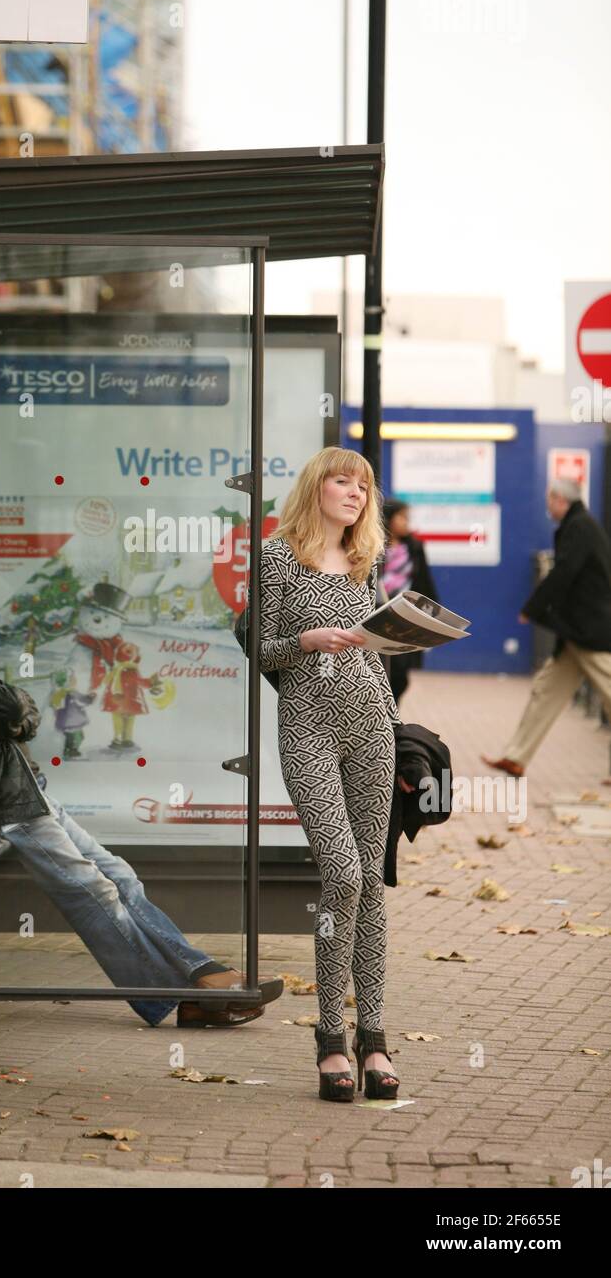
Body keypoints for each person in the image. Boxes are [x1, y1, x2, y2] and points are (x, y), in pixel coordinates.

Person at [0, 566, 283, 1029]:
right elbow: (11, 708)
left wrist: (12, 709)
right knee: (93, 890)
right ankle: (181, 990)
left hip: (23, 788)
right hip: (1, 799)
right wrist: (11, 709)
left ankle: (197, 981)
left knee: (120, 876)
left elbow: (15, 710)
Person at [255, 447, 412, 1103]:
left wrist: (400, 735)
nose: (354, 492)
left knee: (371, 882)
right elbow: (259, 647)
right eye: (343, 480)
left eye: (364, 484)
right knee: (341, 876)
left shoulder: (362, 561)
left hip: (371, 729)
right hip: (308, 728)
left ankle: (372, 1039)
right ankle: (329, 1040)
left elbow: (375, 660)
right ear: (316, 486)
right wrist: (307, 643)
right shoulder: (275, 555)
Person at [483, 479, 611, 778]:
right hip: (577, 632)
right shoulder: (582, 525)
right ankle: (516, 757)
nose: (547, 506)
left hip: (588, 632)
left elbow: (563, 572)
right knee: (545, 691)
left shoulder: (579, 527)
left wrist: (532, 607)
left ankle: (516, 757)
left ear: (560, 499)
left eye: (549, 499)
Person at [381, 497, 439, 705]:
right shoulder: (372, 544)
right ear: (388, 518)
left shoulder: (414, 547)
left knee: (400, 676)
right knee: (381, 672)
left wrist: (432, 614)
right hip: (378, 616)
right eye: (403, 517)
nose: (407, 522)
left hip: (405, 617)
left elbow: (424, 581)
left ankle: (393, 717)